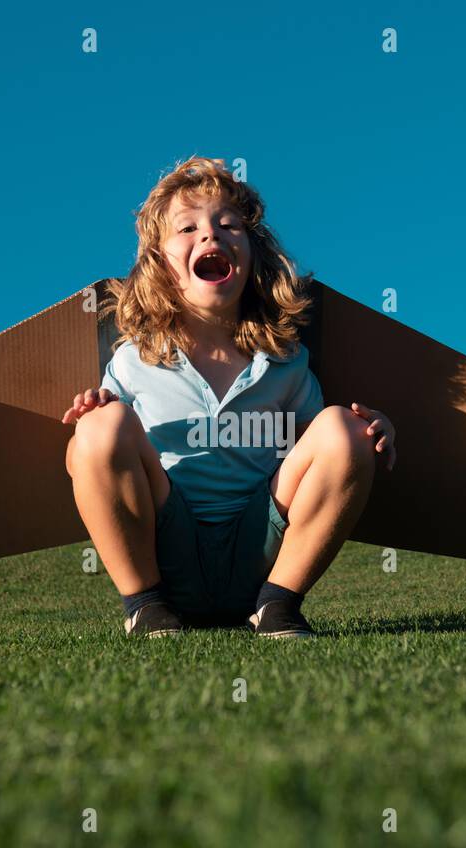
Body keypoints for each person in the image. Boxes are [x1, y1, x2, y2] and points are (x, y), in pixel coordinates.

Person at [62, 157, 396, 638]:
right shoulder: (136, 360)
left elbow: (319, 449)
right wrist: (92, 419)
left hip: (261, 548)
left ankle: (279, 607)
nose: (210, 236)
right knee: (97, 429)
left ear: (253, 254)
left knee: (344, 426)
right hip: (166, 548)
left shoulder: (285, 360)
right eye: (188, 227)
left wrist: (368, 433)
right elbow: (96, 458)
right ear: (157, 261)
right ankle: (144, 607)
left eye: (227, 225)